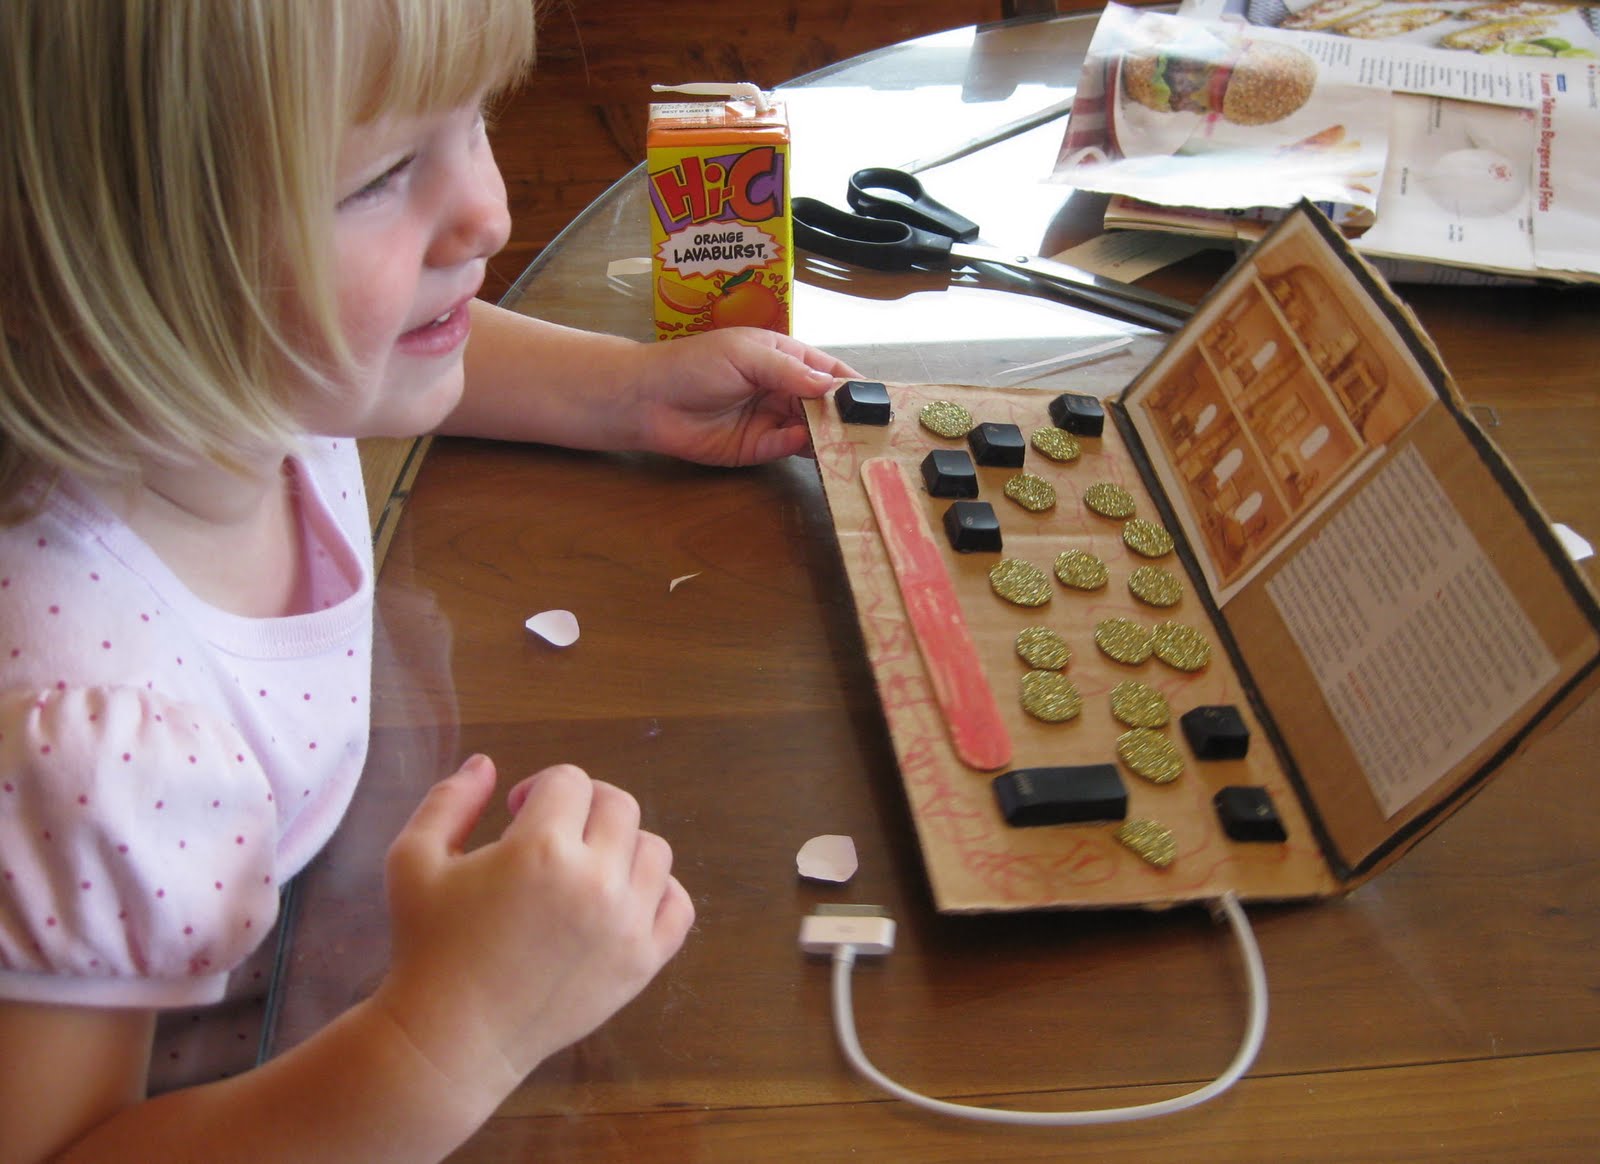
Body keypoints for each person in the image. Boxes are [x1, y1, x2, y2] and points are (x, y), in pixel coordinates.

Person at [0, 1, 856, 1159]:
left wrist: (624, 392)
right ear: (108, 275)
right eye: (383, 175)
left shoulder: (239, 377)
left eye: (476, 120)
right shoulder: (86, 749)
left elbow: (400, 331)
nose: (490, 210)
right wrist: (453, 1033)